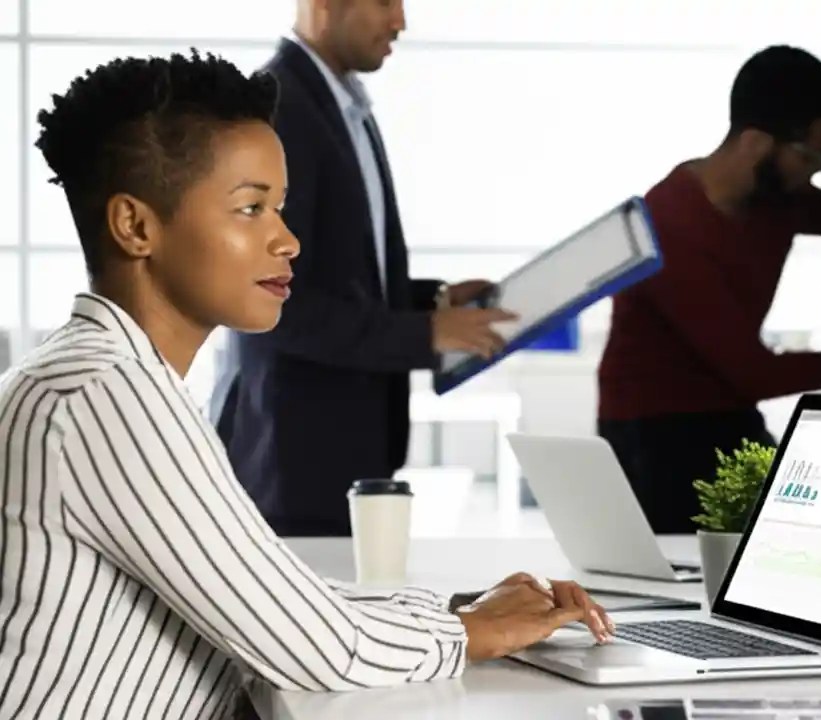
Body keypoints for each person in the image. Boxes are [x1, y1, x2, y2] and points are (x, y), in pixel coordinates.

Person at [0, 50, 610, 720]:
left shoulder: (92, 378)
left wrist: (453, 610)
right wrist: (470, 632)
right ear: (136, 226)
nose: (287, 240)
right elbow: (319, 650)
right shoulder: (107, 396)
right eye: (251, 208)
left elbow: (272, 599)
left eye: (280, 208)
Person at [596, 45, 821, 534]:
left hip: (726, 411)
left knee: (787, 536)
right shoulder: (670, 227)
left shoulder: (777, 196)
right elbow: (753, 372)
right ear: (755, 142)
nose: (820, 168)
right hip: (655, 433)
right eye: (812, 154)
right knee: (747, 549)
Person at [212, 0, 514, 537]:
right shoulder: (279, 112)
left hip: (341, 457)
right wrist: (424, 334)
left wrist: (434, 303)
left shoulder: (346, 108)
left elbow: (340, 276)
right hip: (293, 463)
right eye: (384, 2)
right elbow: (273, 300)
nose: (400, 21)